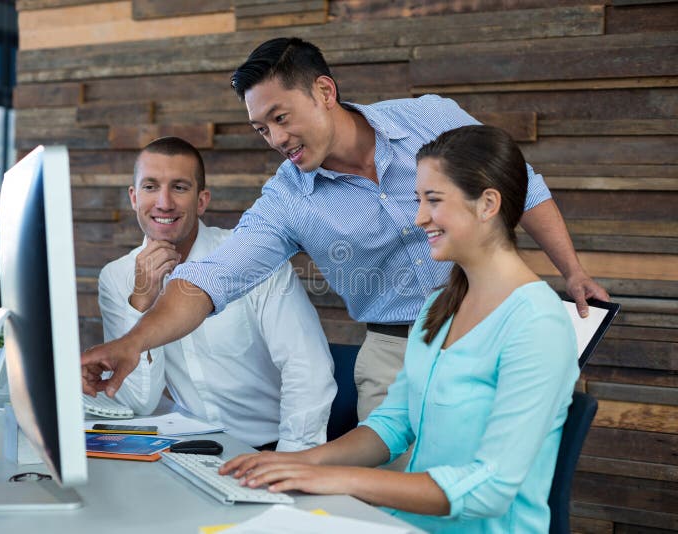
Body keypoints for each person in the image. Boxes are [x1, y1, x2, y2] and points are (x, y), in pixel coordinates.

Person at [81, 37, 605, 422]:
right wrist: (133, 342)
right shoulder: (287, 199)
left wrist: (573, 271)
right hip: (397, 352)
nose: (276, 138)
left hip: (500, 328)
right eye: (262, 128)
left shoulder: (430, 119)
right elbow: (210, 280)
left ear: (324, 91)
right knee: (398, 505)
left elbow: (523, 186)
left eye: (282, 118)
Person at [219, 125, 580, 533]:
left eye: (433, 201)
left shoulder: (538, 323)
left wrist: (334, 479)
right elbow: (392, 425)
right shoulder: (436, 308)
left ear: (487, 204)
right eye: (418, 200)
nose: (418, 218)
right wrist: (298, 462)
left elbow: (490, 487)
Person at [94, 136, 336, 451]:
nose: (164, 202)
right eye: (151, 187)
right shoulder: (116, 277)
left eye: (179, 187)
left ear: (202, 201)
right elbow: (139, 401)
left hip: (269, 446)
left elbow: (307, 365)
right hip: (189, 447)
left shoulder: (251, 257)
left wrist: (291, 459)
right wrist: (142, 301)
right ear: (134, 197)